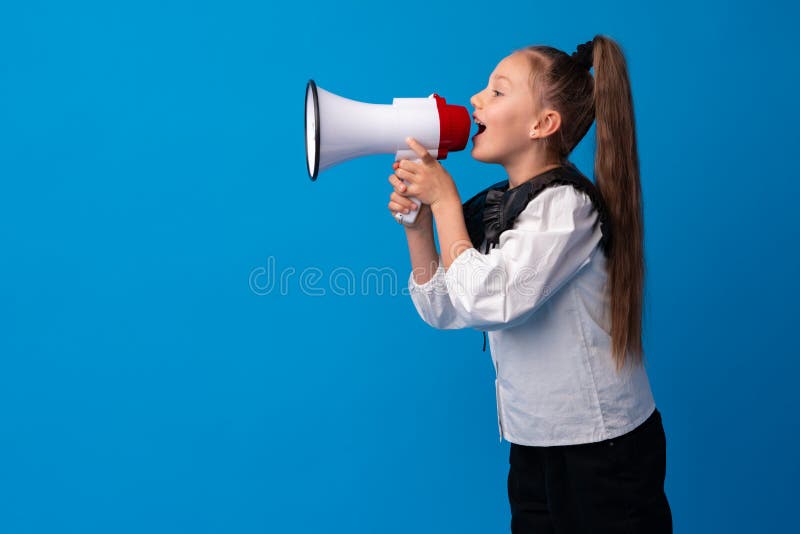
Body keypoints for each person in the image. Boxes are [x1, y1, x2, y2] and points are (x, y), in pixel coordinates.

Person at [386, 35, 672, 533]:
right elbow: (448, 307)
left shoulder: (566, 207)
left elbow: (491, 300)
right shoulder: (501, 204)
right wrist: (420, 228)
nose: (475, 99)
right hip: (534, 441)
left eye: (498, 91)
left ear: (543, 124)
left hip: (600, 449)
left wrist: (446, 203)